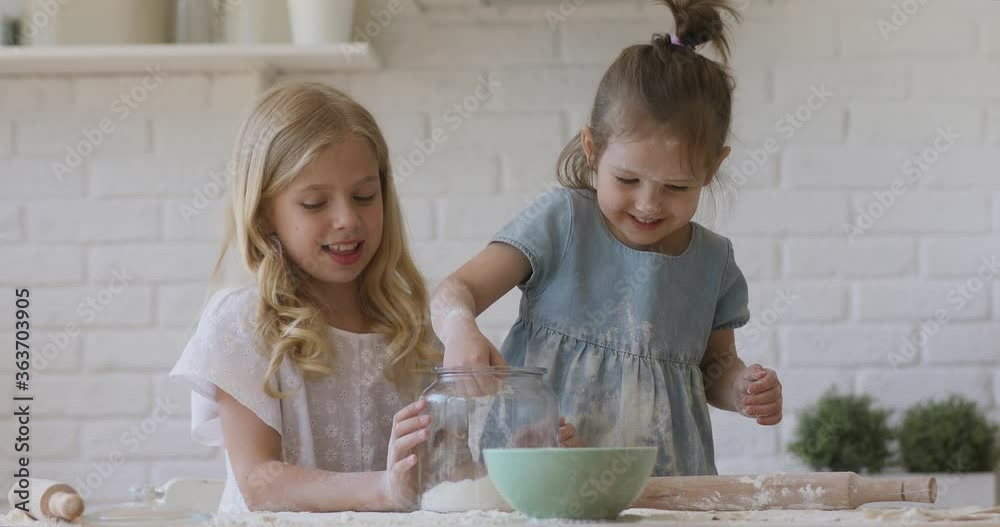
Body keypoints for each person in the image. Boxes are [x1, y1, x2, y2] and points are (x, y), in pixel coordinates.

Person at [430, 0, 783, 477]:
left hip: (663, 488)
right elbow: (456, 292)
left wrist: (742, 387)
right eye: (628, 180)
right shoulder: (563, 221)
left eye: (678, 187)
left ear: (713, 167)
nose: (649, 205)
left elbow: (714, 368)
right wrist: (459, 330)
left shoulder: (712, 261)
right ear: (592, 149)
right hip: (542, 473)